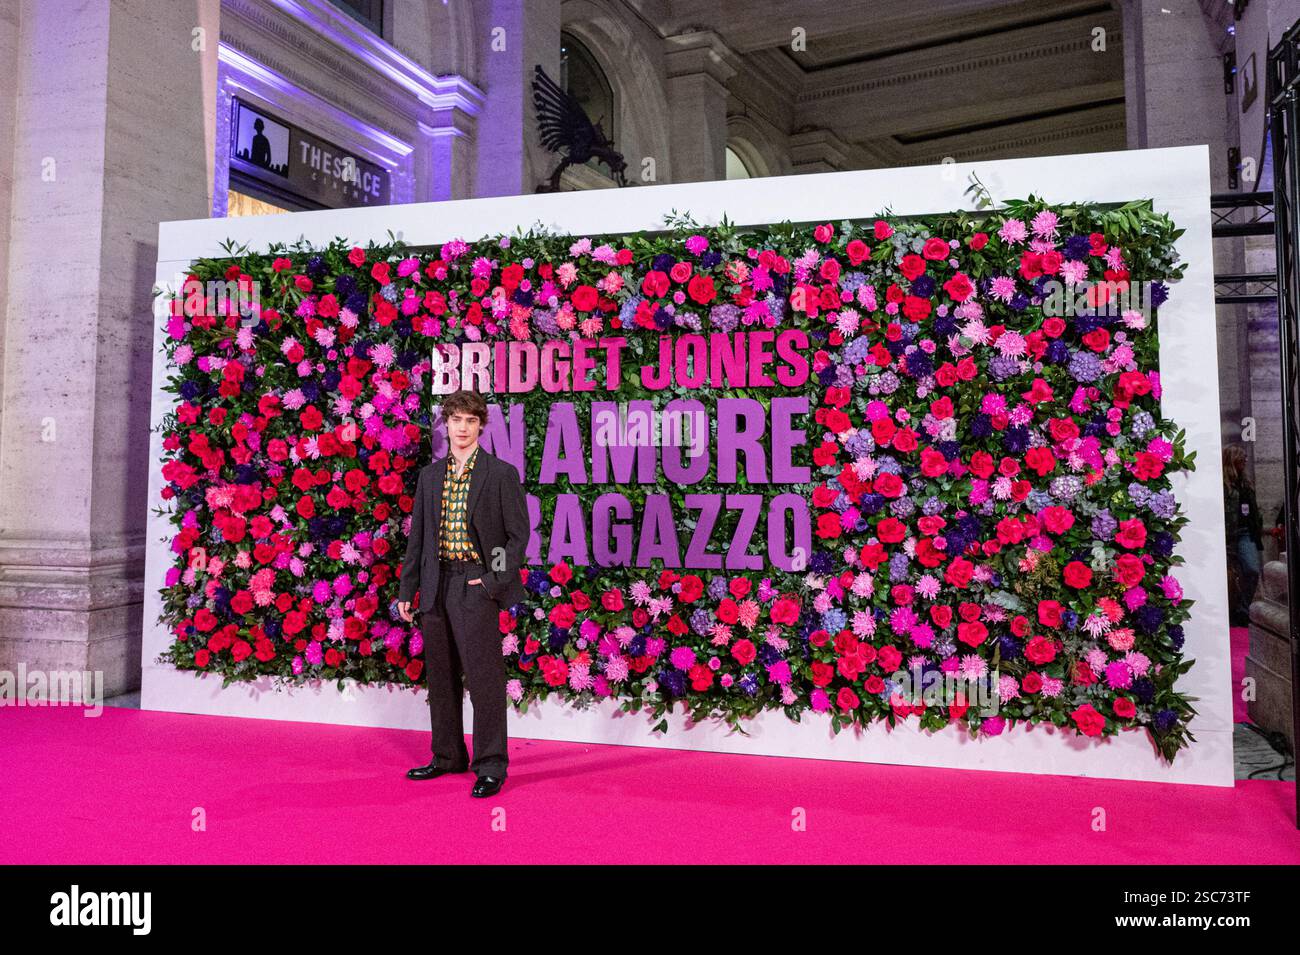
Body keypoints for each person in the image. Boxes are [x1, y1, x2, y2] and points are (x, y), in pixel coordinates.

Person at [396, 389, 529, 797]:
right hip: (437, 584)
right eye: (456, 420)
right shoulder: (430, 477)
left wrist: (492, 580)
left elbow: (517, 537)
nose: (463, 428)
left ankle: (490, 764)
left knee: (484, 679)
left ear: (481, 426)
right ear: (446, 425)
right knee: (441, 676)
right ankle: (447, 755)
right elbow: (418, 537)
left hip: (475, 584)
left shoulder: (500, 474)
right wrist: (409, 588)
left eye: (471, 420)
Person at [1222, 443, 1263, 627]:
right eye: (1241, 457)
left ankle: (1244, 610)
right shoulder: (1222, 485)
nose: (1245, 460)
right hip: (1227, 535)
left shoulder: (1246, 483)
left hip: (1246, 533)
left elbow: (1254, 509)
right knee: (1227, 577)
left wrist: (1259, 526)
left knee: (1252, 570)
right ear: (1232, 460)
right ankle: (1229, 611)